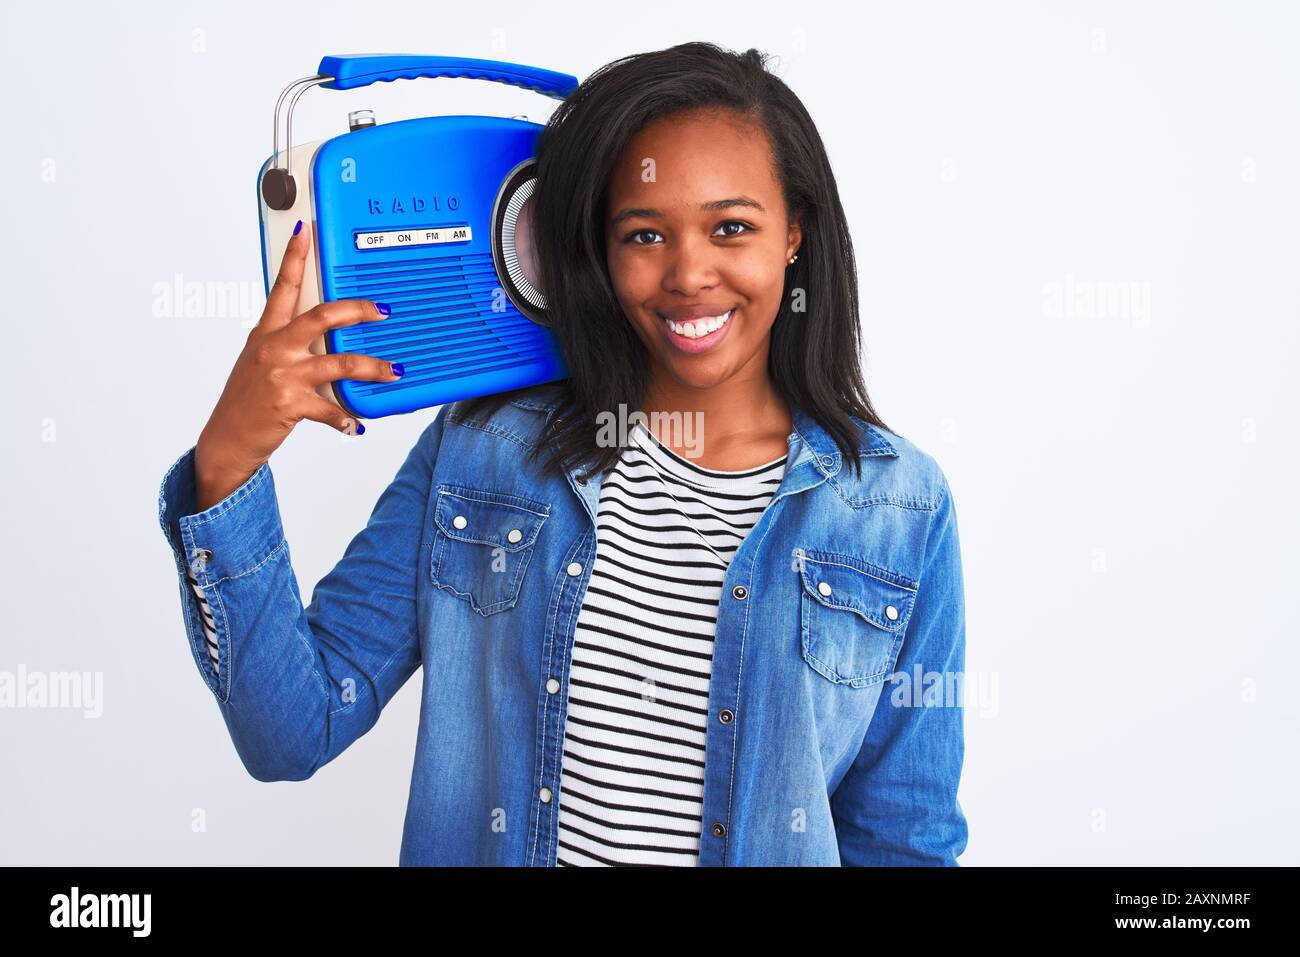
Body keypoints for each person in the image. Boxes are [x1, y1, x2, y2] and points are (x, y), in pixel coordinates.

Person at [158, 41, 969, 866]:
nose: (689, 274)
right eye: (644, 233)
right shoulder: (485, 450)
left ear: (794, 232)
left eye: (732, 227)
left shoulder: (901, 511)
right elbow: (294, 730)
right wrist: (228, 461)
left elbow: (902, 839)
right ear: (596, 253)